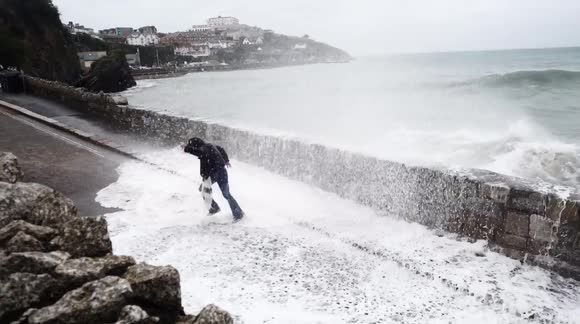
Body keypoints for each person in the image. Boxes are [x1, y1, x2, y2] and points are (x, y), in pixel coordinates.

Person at [183, 137, 244, 221]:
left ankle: (216, 208)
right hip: (221, 172)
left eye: (191, 145)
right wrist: (226, 160)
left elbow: (200, 152)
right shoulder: (210, 146)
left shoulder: (204, 148)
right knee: (226, 194)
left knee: (205, 190)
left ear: (196, 145)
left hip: (215, 173)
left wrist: (187, 148)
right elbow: (221, 149)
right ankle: (237, 213)